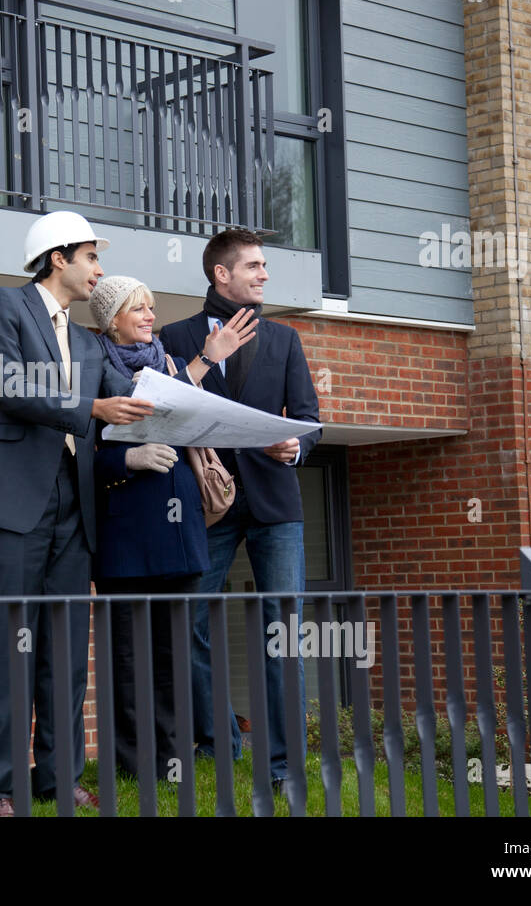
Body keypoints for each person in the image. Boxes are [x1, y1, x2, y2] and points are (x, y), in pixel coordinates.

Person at [0, 211, 153, 817]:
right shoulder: (3, 307)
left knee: (64, 649)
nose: (100, 268)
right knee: (6, 644)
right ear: (58, 257)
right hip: (17, 501)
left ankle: (58, 779)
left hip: (77, 504)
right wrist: (90, 407)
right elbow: (6, 385)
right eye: (92, 256)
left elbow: (142, 385)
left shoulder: (93, 341)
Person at [159, 228, 322, 794]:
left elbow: (308, 417)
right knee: (187, 624)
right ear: (220, 274)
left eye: (264, 265)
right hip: (206, 504)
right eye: (253, 265)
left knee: (283, 632)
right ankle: (221, 743)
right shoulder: (175, 336)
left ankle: (284, 769)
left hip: (276, 504)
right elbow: (164, 411)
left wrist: (296, 446)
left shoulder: (284, 338)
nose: (264, 274)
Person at [88, 275, 255, 780]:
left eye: (151, 307)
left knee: (173, 656)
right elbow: (73, 457)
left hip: (181, 536)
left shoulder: (170, 364)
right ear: (111, 317)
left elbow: (183, 415)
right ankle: (133, 762)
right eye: (137, 309)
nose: (148, 317)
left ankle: (171, 760)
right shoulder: (93, 366)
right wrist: (125, 460)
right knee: (127, 659)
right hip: (126, 536)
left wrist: (206, 365)